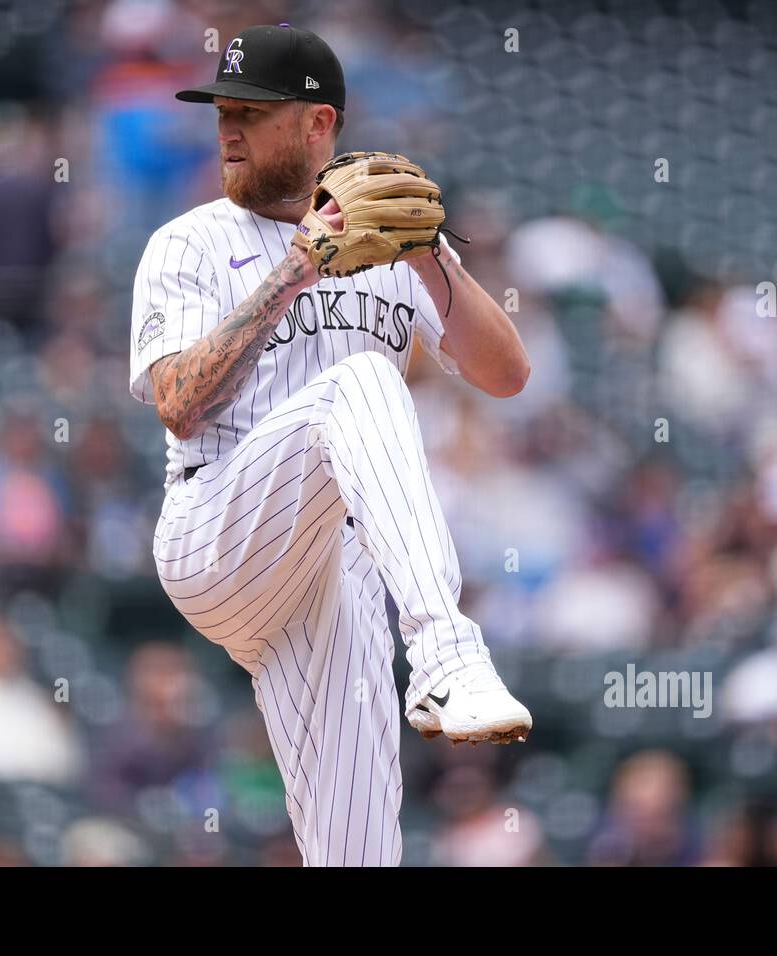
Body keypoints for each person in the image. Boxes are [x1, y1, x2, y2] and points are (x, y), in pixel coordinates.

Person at [130, 23, 532, 866]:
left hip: (332, 564)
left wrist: (430, 259)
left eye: (251, 111)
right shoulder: (189, 242)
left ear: (318, 124)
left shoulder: (386, 241)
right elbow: (177, 402)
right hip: (219, 526)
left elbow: (505, 374)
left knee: (358, 848)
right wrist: (296, 269)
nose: (227, 129)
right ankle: (445, 648)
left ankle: (437, 657)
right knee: (360, 383)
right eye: (222, 111)